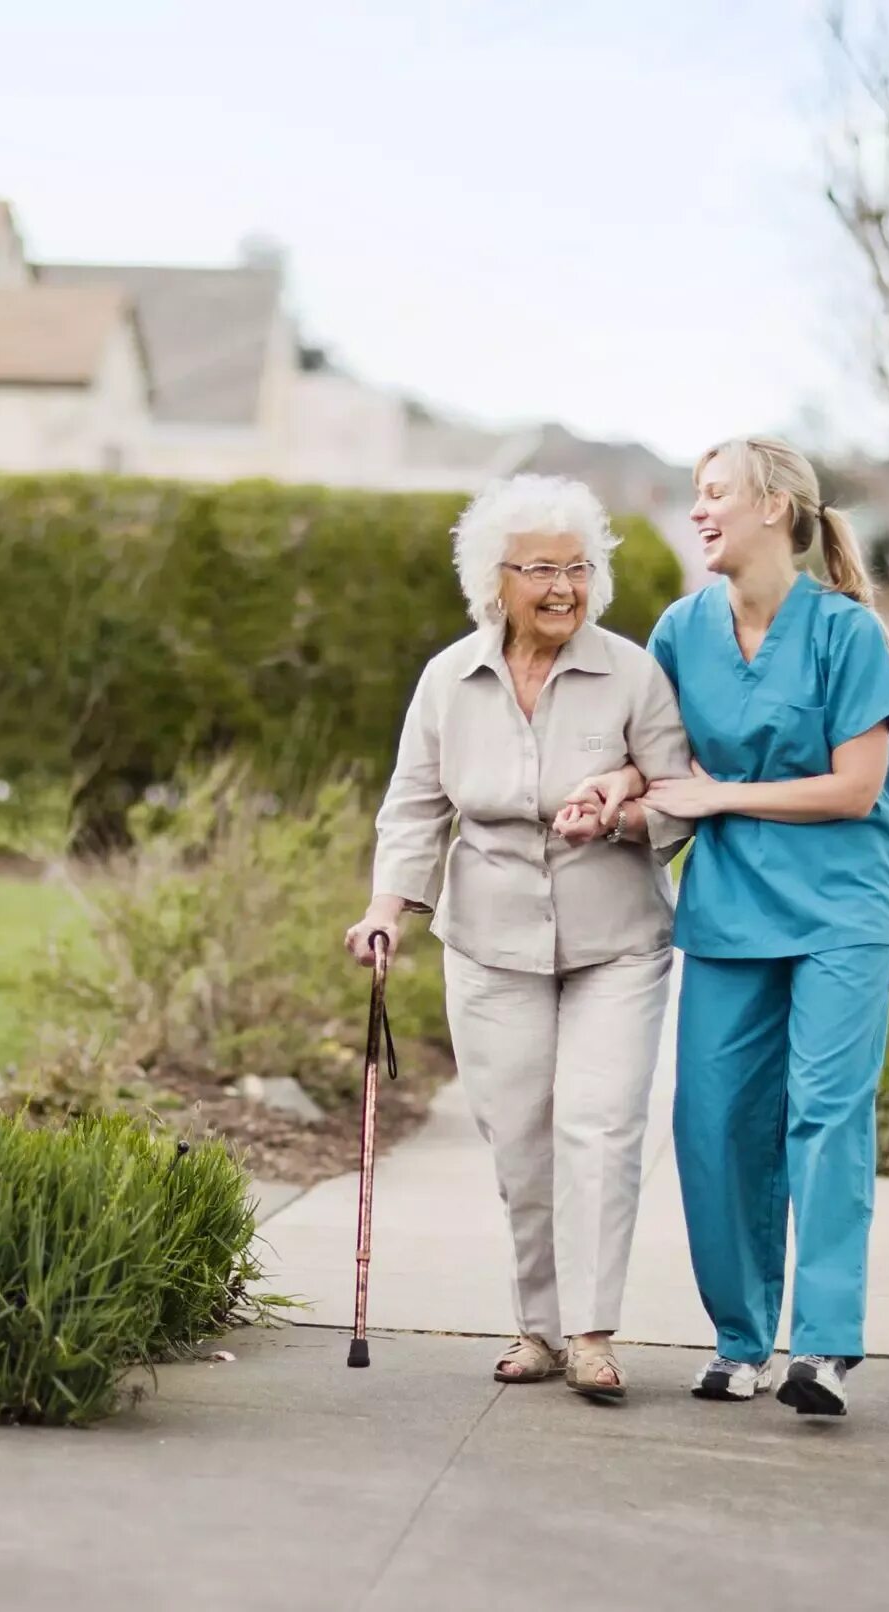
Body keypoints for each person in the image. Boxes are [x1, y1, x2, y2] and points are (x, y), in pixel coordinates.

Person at [570, 435, 889, 1418]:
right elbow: (661, 760)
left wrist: (719, 794)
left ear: (774, 505)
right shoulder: (681, 629)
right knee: (714, 1124)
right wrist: (614, 781)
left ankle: (825, 1346)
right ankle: (739, 1339)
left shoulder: (847, 633)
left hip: (842, 913)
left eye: (715, 493)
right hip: (728, 915)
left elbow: (857, 788)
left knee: (824, 1118)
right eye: (695, 494)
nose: (699, 510)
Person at [345, 474, 691, 1401]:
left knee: (602, 1127)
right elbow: (414, 807)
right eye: (541, 570)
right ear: (494, 580)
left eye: (578, 569)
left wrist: (622, 816)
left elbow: (679, 797)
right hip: (490, 939)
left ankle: (591, 1333)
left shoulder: (631, 673)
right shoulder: (448, 681)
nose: (563, 589)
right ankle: (537, 1327)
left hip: (616, 938)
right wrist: (389, 906)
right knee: (521, 1141)